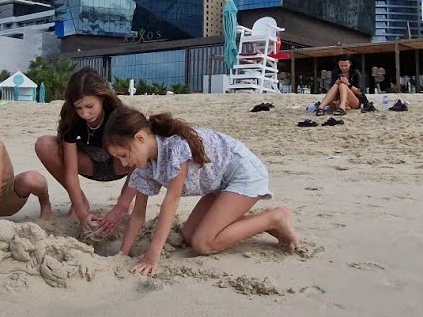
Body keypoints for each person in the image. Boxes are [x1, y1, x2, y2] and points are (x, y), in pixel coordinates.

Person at [104, 107, 297, 277]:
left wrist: (153, 255)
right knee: (188, 234)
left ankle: (274, 218)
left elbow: (171, 201)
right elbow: (138, 215)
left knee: (203, 243)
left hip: (242, 173)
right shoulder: (144, 165)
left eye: (123, 155)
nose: (123, 163)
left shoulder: (175, 147)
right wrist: (123, 254)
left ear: (140, 137)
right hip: (218, 183)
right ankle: (254, 220)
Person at [34, 68, 136, 234]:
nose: (85, 114)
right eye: (79, 108)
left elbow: (139, 158)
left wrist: (120, 207)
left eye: (90, 106)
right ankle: (80, 200)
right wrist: (82, 213)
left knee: (141, 149)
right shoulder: (71, 116)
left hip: (119, 163)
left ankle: (125, 202)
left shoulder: (119, 114)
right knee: (44, 144)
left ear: (102, 97)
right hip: (89, 163)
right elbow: (71, 172)